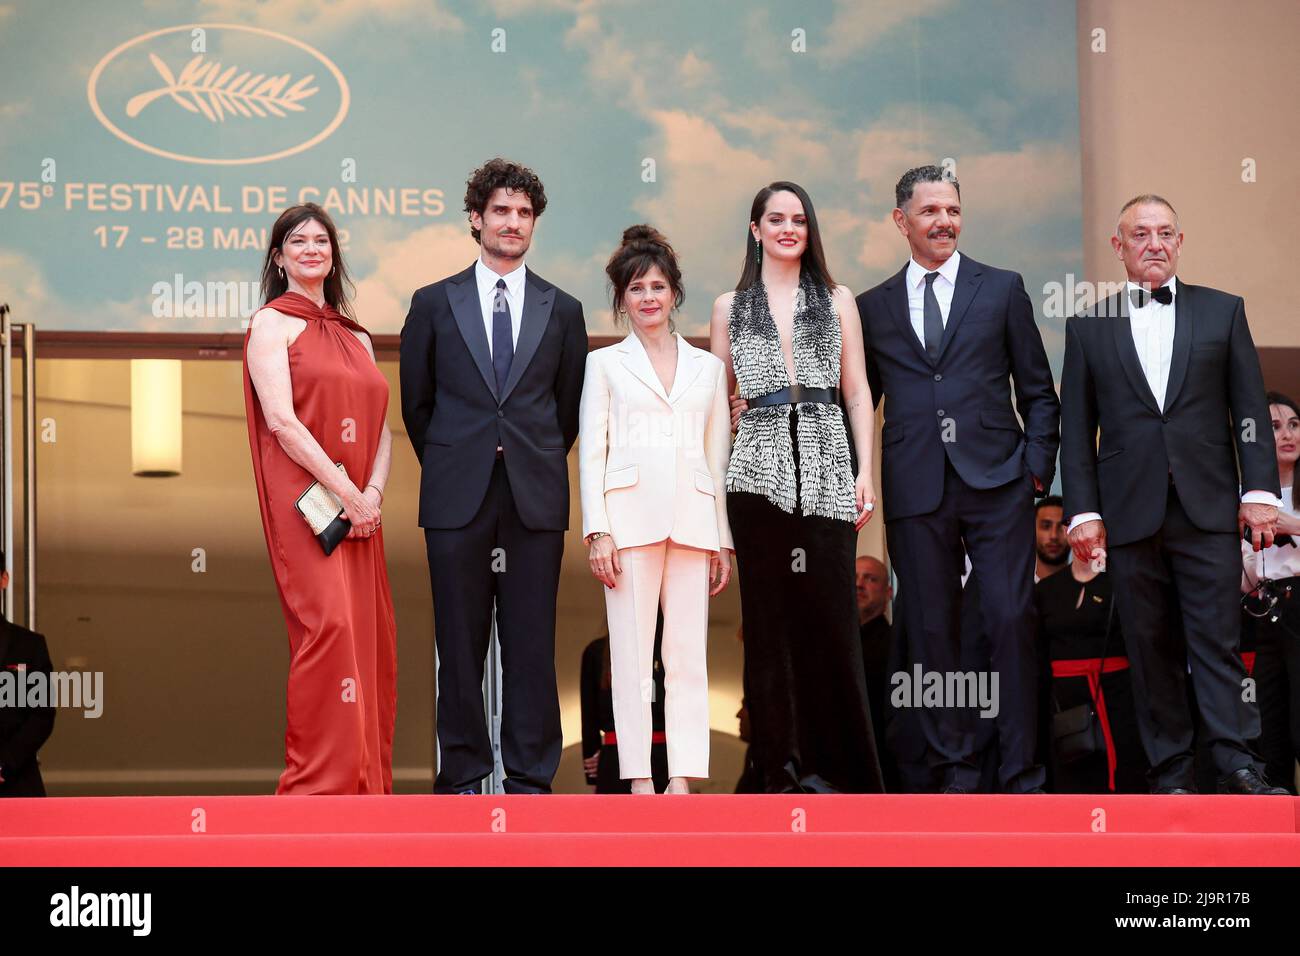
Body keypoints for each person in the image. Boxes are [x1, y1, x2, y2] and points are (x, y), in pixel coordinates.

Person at [1061, 193, 1286, 795]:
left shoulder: (1223, 312)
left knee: (1216, 641)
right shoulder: (1088, 327)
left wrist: (1260, 489)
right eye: (1140, 234)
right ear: (1119, 247)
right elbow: (1076, 431)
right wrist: (1082, 511)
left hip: (1207, 507)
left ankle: (1238, 763)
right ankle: (1170, 773)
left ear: (1180, 242)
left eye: (1164, 233)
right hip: (1129, 515)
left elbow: (1249, 411)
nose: (1153, 243)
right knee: (1150, 647)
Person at [855, 165, 1060, 794]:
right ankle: (956, 771)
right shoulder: (871, 307)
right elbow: (860, 403)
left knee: (1007, 620)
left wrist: (1034, 474)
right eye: (929, 212)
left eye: (951, 210)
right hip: (917, 493)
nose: (943, 221)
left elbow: (1039, 393)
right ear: (901, 221)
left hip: (999, 483)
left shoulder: (1001, 288)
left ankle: (1023, 772)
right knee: (932, 636)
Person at [399, 158, 587, 794]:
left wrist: (522, 455)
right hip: (457, 497)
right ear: (476, 219)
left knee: (533, 643)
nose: (513, 223)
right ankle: (462, 775)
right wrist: (463, 459)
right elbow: (417, 406)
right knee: (458, 643)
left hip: (534, 496)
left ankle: (533, 778)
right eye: (501, 211)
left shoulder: (563, 310)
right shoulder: (432, 303)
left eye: (524, 214)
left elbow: (566, 411)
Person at [714, 181, 883, 794]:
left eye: (799, 220)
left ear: (810, 231)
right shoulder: (728, 306)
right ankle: (778, 769)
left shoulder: (837, 300)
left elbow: (857, 391)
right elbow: (719, 405)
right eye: (775, 219)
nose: (789, 229)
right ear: (755, 229)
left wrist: (865, 472)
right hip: (755, 477)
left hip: (828, 468)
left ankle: (838, 770)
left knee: (831, 622)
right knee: (768, 628)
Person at [243, 203, 397, 795]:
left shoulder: (356, 335)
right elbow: (281, 422)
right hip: (309, 509)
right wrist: (346, 493)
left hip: (362, 511)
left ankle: (365, 788)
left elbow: (382, 427)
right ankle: (315, 790)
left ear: (334, 254)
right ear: (279, 257)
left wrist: (373, 495)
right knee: (328, 628)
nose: (312, 249)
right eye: (298, 241)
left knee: (369, 638)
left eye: (322, 240)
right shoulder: (269, 325)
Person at [579, 225, 733, 794]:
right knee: (632, 655)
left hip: (694, 522)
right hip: (627, 523)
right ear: (622, 298)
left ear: (675, 294)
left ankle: (685, 776)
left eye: (658, 286)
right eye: (636, 288)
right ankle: (640, 777)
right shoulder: (605, 365)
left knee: (689, 654)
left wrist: (724, 538)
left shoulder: (709, 370)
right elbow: (593, 450)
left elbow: (717, 458)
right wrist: (597, 530)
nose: (648, 297)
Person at [1035, 546, 1147, 793]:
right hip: (1064, 701)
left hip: (1116, 696)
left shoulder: (1120, 583)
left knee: (1124, 771)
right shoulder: (1045, 589)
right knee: (1070, 774)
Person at [1240, 391, 1300, 792]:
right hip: (1262, 609)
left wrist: (1288, 523)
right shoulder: (1243, 496)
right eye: (1275, 427)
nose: (1287, 434)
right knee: (1269, 721)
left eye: (1294, 424)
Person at [579, 629, 668, 794]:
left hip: (618, 757)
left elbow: (589, 719)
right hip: (656, 757)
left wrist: (592, 761)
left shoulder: (596, 651)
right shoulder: (665, 648)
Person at [0, 551, 55, 797]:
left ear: (4, 579)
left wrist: (6, 763)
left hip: (18, 781)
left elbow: (42, 715)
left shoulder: (29, 645)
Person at [856, 555, 900, 791]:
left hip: (885, 771)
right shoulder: (829, 646)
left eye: (870, 579)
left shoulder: (897, 648)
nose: (859, 584)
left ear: (888, 592)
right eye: (853, 577)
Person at [1034, 495, 1071, 582]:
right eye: (1046, 526)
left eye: (1062, 527)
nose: (1054, 536)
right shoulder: (1013, 590)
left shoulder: (1090, 590)